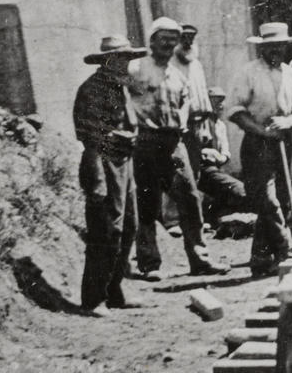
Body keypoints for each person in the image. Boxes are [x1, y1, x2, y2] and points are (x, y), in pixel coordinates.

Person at [125, 18, 218, 278]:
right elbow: (120, 97)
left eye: (172, 39)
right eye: (163, 38)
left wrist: (182, 125)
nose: (168, 43)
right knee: (147, 203)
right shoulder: (136, 68)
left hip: (173, 143)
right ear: (152, 40)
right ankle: (150, 264)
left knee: (189, 198)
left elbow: (185, 104)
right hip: (144, 142)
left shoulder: (177, 74)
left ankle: (200, 260)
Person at [221, 21, 292, 276]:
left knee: (282, 200)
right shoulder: (248, 73)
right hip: (257, 143)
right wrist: (262, 130)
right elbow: (234, 111)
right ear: (263, 47)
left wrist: (288, 121)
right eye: (271, 46)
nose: (276, 50)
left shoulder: (291, 74)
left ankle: (261, 260)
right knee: (267, 200)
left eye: (280, 46)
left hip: (286, 140)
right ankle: (286, 249)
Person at [72, 34, 144, 310]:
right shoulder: (91, 90)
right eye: (119, 59)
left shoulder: (121, 87)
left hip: (124, 162)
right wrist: (98, 178)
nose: (125, 64)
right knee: (106, 230)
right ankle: (94, 298)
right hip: (102, 162)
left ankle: (115, 291)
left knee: (128, 227)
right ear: (106, 62)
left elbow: (129, 124)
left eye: (127, 59)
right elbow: (89, 137)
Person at [175, 24, 249, 227]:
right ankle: (175, 220)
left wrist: (205, 131)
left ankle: (197, 220)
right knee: (179, 173)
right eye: (184, 38)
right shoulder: (172, 65)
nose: (188, 42)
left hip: (198, 127)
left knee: (196, 177)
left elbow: (202, 102)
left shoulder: (196, 65)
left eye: (191, 37)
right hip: (180, 127)